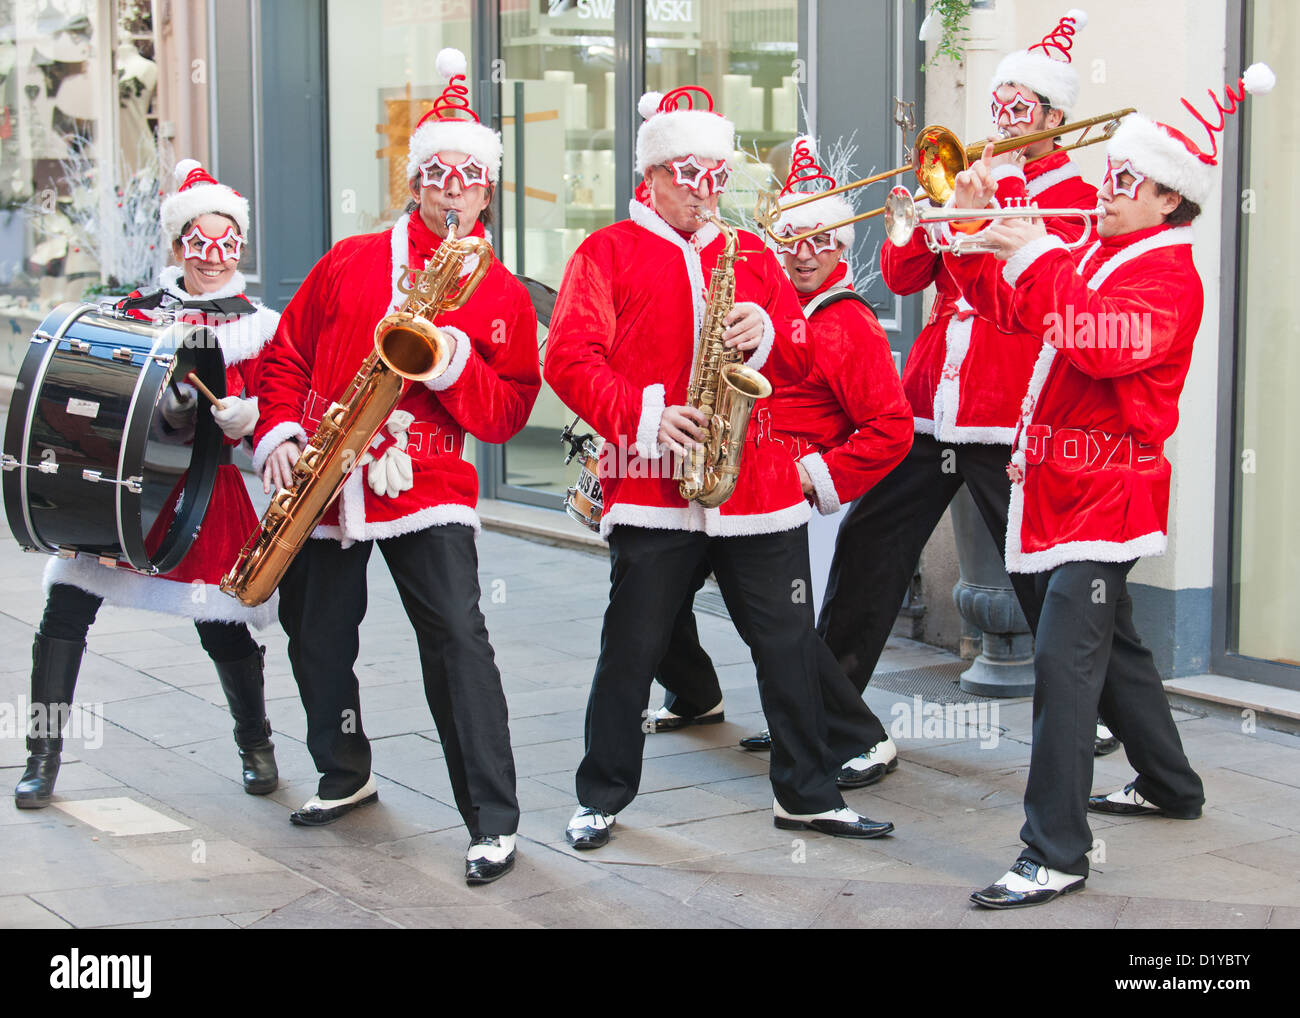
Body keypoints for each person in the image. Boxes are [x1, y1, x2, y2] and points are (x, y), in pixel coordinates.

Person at [956, 61, 1275, 907]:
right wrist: (969, 237)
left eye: (1125, 179)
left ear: (1169, 197)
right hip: (1056, 490)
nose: (1107, 188)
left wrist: (1034, 249)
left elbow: (1097, 340)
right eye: (1111, 173)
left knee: (1064, 673)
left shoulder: (1170, 276)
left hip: (1107, 499)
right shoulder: (1098, 251)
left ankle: (1054, 850)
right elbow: (1015, 311)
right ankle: (1173, 785)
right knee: (1119, 655)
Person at [545, 85, 894, 850]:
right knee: (630, 650)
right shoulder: (606, 253)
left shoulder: (750, 254)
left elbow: (801, 350)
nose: (707, 190)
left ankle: (807, 794)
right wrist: (644, 412)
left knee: (787, 647)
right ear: (653, 175)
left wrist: (770, 329)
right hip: (652, 484)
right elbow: (567, 359)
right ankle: (600, 795)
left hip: (757, 487)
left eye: (716, 174)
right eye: (689, 174)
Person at [251, 49, 540, 886]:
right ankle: (344, 773)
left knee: (457, 637)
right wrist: (276, 437)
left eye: (469, 176)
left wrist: (453, 361)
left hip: (430, 482)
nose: (453, 189)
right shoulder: (348, 260)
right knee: (317, 636)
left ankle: (492, 819)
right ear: (415, 182)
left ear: (487, 190)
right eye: (438, 173)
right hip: (328, 472)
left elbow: (511, 411)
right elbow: (284, 357)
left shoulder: (505, 294)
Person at [815, 9, 1099, 735]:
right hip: (932, 404)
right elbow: (905, 276)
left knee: (1038, 573)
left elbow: (1030, 291)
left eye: (1020, 108)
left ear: (1055, 117)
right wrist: (929, 205)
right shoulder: (967, 177)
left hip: (1006, 410)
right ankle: (821, 706)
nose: (1004, 120)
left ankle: (1091, 714)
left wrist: (973, 216)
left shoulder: (1071, 197)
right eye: (998, 106)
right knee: (869, 544)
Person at [648, 135, 914, 790]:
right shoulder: (777, 309)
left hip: (792, 495)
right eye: (792, 241)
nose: (802, 256)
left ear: (840, 248)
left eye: (820, 242)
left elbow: (892, 428)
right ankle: (707, 696)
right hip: (740, 479)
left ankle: (853, 734)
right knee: (663, 596)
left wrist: (812, 477)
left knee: (774, 626)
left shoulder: (848, 323)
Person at [16, 159, 282, 808]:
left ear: (240, 247)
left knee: (220, 624)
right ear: (177, 244)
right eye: (200, 241)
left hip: (202, 493)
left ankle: (255, 742)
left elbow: (275, 414)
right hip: (121, 487)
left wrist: (251, 422)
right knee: (67, 608)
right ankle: (42, 757)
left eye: (227, 243)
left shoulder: (259, 326)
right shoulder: (132, 312)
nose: (214, 257)